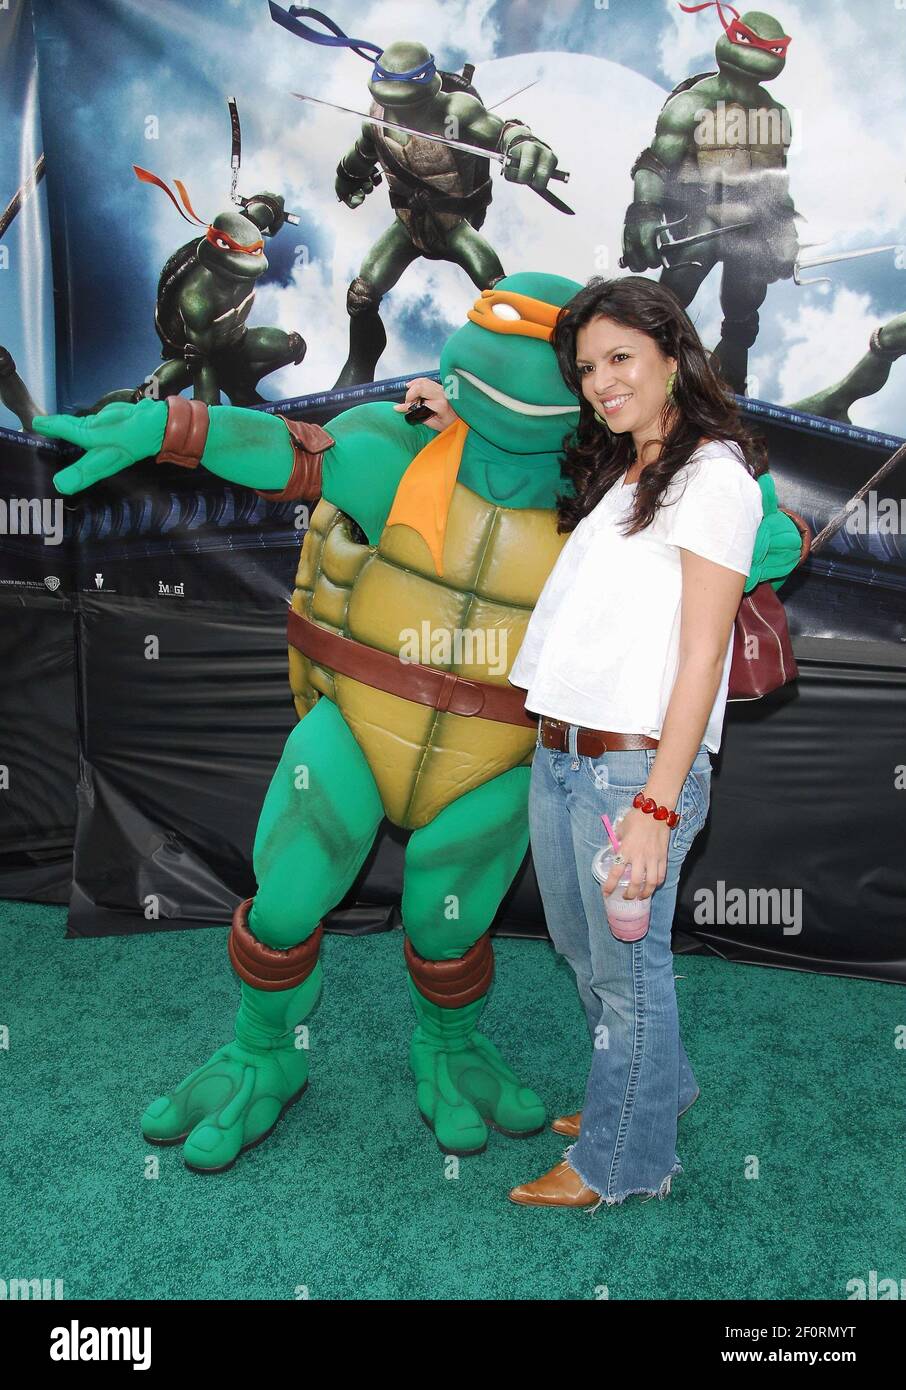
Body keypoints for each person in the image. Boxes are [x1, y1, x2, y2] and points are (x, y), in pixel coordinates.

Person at [502, 274, 766, 1210]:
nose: (601, 381)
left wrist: (656, 803)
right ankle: (658, 1087)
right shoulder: (627, 474)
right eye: (586, 367)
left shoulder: (714, 477)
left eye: (621, 357)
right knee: (583, 950)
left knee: (627, 968)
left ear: (670, 356)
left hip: (632, 771)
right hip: (565, 751)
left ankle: (626, 1161)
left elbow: (703, 656)